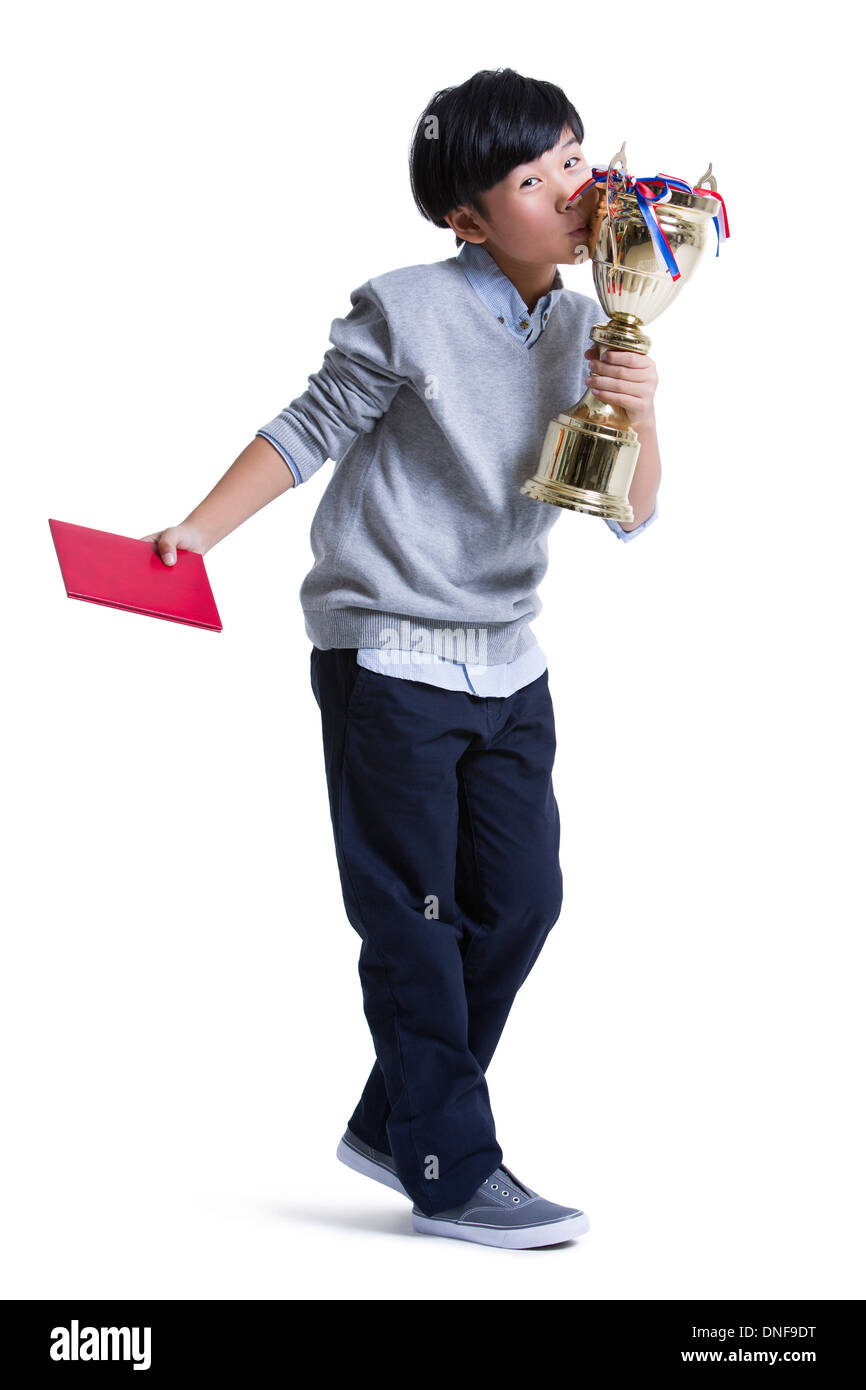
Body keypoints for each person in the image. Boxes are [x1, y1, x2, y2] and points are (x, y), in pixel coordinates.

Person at [141, 67, 661, 1250]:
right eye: (532, 180)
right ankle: (448, 1168)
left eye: (574, 157)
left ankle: (396, 1118)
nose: (572, 189)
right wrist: (197, 532)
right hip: (387, 656)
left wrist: (639, 407)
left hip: (507, 661)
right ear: (466, 220)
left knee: (524, 899)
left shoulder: (593, 322)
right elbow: (309, 427)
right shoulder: (409, 304)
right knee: (413, 920)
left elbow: (628, 515)